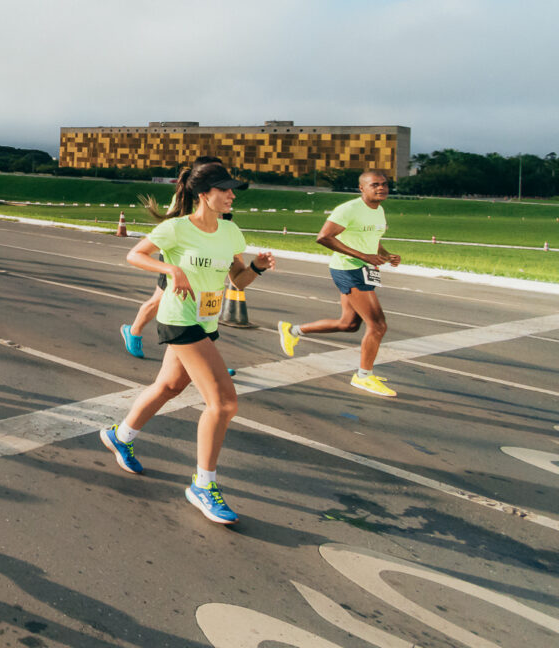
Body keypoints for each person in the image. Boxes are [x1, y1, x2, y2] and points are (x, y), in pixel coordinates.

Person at [101, 162, 273, 525]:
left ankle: (121, 435)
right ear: (203, 194)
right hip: (179, 319)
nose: (231, 195)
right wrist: (172, 269)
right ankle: (202, 484)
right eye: (225, 189)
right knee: (224, 403)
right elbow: (134, 255)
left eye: (232, 190)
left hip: (206, 320)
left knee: (169, 385)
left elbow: (238, 282)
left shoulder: (230, 232)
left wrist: (256, 267)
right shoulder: (176, 228)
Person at [278, 170, 402, 397]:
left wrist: (386, 254)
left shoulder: (379, 209)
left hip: (363, 269)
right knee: (378, 325)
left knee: (349, 324)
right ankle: (363, 376)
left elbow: (371, 239)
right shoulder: (349, 209)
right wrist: (364, 256)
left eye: (384, 184)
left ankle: (293, 330)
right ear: (361, 188)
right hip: (348, 269)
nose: (381, 188)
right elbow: (324, 237)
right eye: (375, 185)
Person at [122, 156, 227, 358]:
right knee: (162, 300)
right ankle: (133, 331)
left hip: (200, 260)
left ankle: (206, 359)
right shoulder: (186, 196)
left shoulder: (217, 197)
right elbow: (168, 228)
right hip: (178, 257)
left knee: (200, 308)